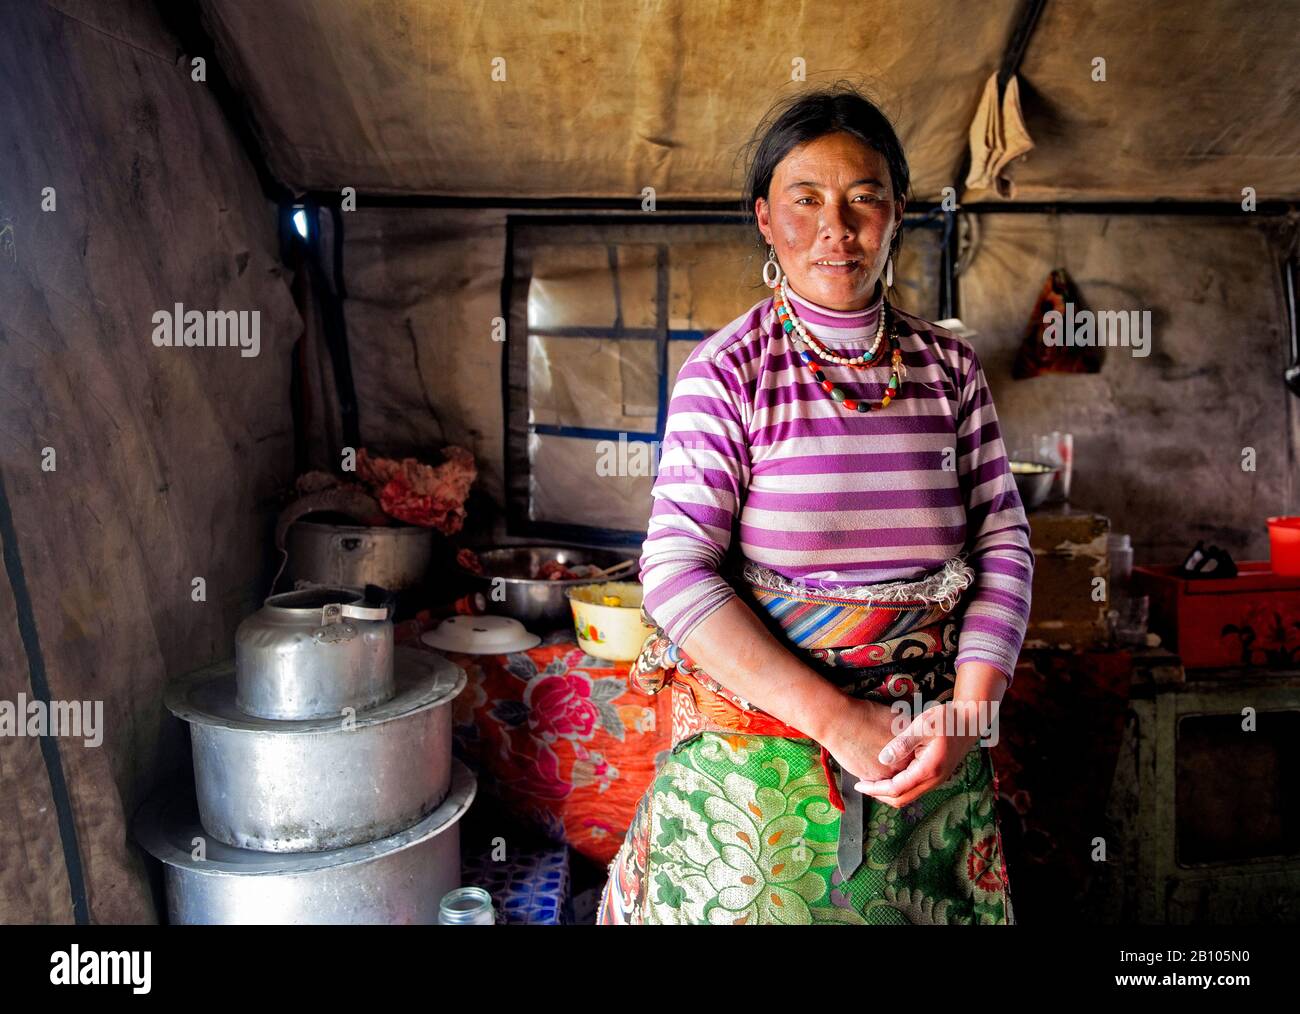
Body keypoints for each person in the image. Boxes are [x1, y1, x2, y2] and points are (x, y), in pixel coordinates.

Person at [597, 85, 1033, 925]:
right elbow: (676, 572)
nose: (837, 227)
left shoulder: (949, 371)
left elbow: (1005, 547)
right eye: (807, 200)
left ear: (898, 211)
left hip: (930, 748)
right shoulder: (727, 373)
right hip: (763, 766)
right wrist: (840, 720)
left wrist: (971, 712)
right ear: (766, 217)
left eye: (864, 198)